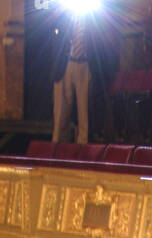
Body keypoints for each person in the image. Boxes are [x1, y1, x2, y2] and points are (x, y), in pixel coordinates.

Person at [51, 10, 93, 144]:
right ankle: (57, 147)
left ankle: (83, 145)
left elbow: (99, 39)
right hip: (65, 63)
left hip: (85, 63)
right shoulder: (64, 12)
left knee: (84, 110)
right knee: (61, 113)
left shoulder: (94, 15)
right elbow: (55, 35)